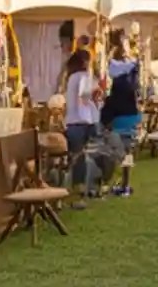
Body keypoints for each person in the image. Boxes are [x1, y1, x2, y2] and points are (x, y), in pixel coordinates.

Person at [100, 31, 141, 196]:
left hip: (120, 117)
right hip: (129, 115)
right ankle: (124, 184)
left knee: (117, 151)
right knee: (126, 152)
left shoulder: (117, 70)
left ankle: (116, 183)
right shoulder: (129, 70)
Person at [63, 50, 100, 208]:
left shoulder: (71, 77)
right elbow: (84, 101)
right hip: (83, 122)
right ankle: (83, 190)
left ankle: (76, 189)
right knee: (84, 158)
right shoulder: (83, 76)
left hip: (72, 122)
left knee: (75, 157)